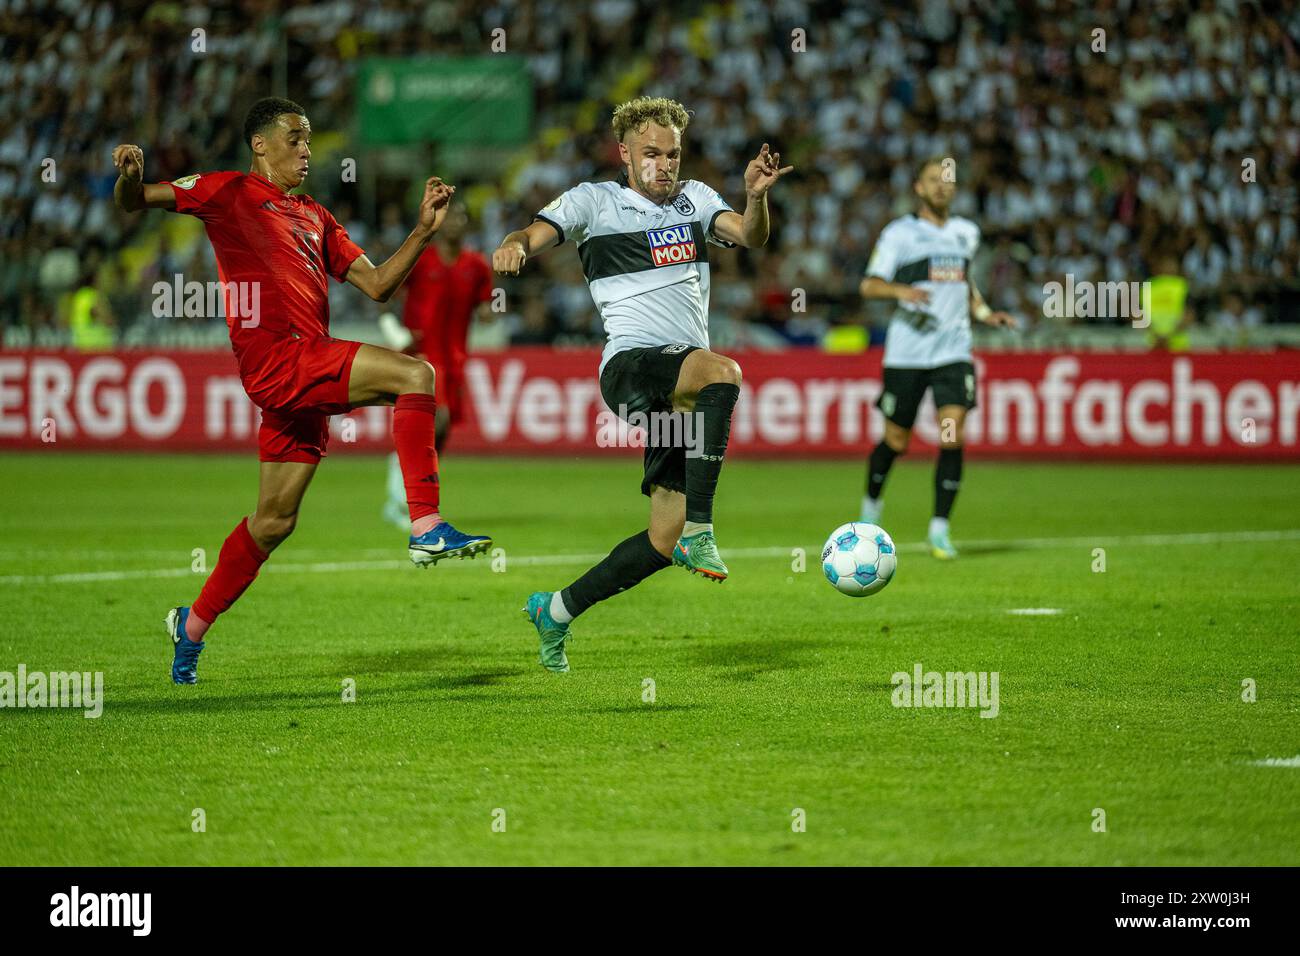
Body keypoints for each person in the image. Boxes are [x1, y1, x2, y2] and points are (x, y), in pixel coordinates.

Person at [112, 96, 491, 685]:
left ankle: (189, 628)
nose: (307, 150)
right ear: (260, 144)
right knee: (417, 375)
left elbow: (379, 285)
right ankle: (424, 525)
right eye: (295, 138)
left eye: (310, 139)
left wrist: (422, 231)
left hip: (301, 370)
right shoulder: (226, 191)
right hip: (279, 358)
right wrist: (131, 178)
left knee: (274, 521)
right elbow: (137, 202)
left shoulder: (317, 216)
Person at [492, 95, 791, 672]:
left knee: (661, 538)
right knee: (722, 372)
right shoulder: (595, 201)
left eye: (673, 153)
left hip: (674, 383)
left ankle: (555, 610)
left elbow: (752, 238)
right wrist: (514, 244)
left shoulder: (697, 200)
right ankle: (703, 529)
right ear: (625, 153)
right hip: (629, 367)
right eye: (651, 153)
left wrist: (756, 198)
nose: (664, 163)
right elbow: (536, 232)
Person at [859, 157, 1017, 560]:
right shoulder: (900, 234)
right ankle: (870, 513)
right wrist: (901, 292)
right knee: (896, 440)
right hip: (908, 353)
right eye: (934, 180)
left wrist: (983, 314)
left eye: (949, 180)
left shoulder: (967, 233)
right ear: (918, 187)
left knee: (953, 433)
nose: (943, 187)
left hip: (953, 350)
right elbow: (869, 285)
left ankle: (940, 530)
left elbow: (967, 284)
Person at [380, 201, 494, 527]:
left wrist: (492, 310)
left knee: (439, 435)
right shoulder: (420, 259)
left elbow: (486, 308)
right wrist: (395, 334)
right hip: (421, 357)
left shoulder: (476, 265)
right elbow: (383, 297)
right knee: (438, 421)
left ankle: (401, 493)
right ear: (441, 224)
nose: (456, 223)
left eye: (462, 218)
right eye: (452, 217)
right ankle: (405, 496)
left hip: (455, 359)